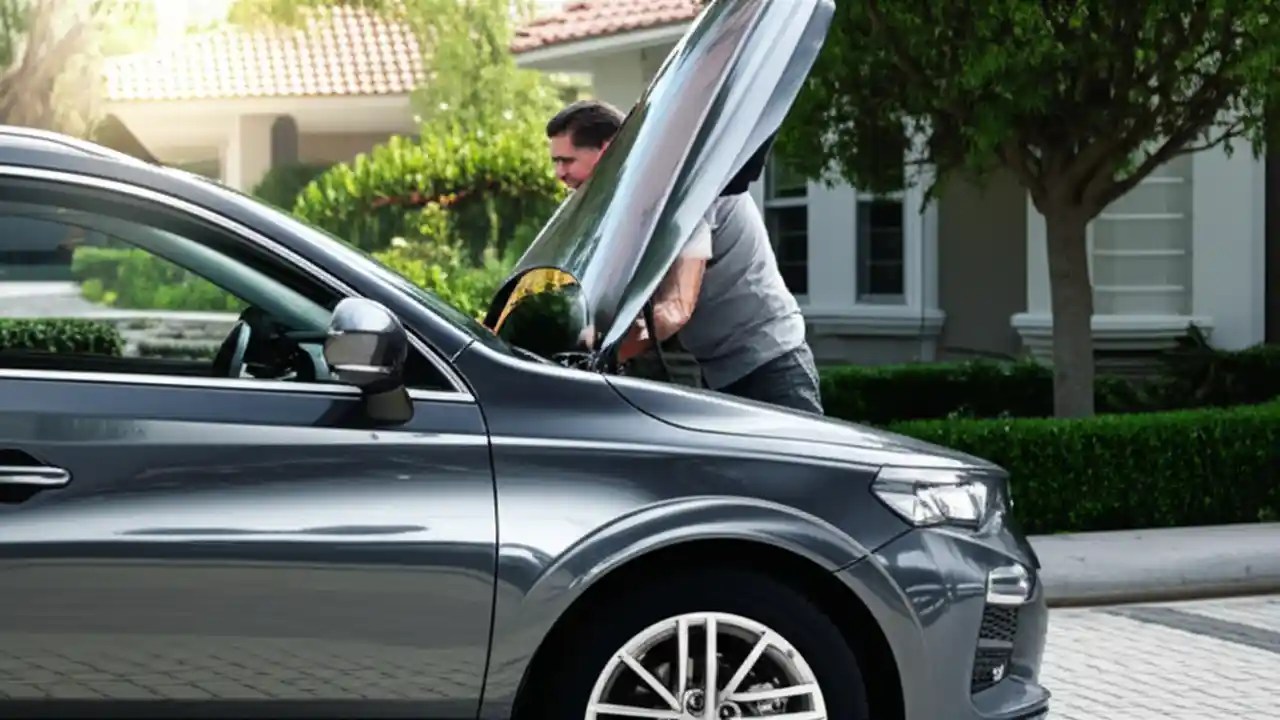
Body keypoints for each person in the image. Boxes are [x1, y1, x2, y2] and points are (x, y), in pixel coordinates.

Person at [545, 100, 823, 415]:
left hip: (771, 365)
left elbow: (676, 309)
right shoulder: (629, 206)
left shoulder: (680, 187)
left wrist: (600, 360)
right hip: (716, 370)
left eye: (566, 161)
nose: (559, 174)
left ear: (607, 149)